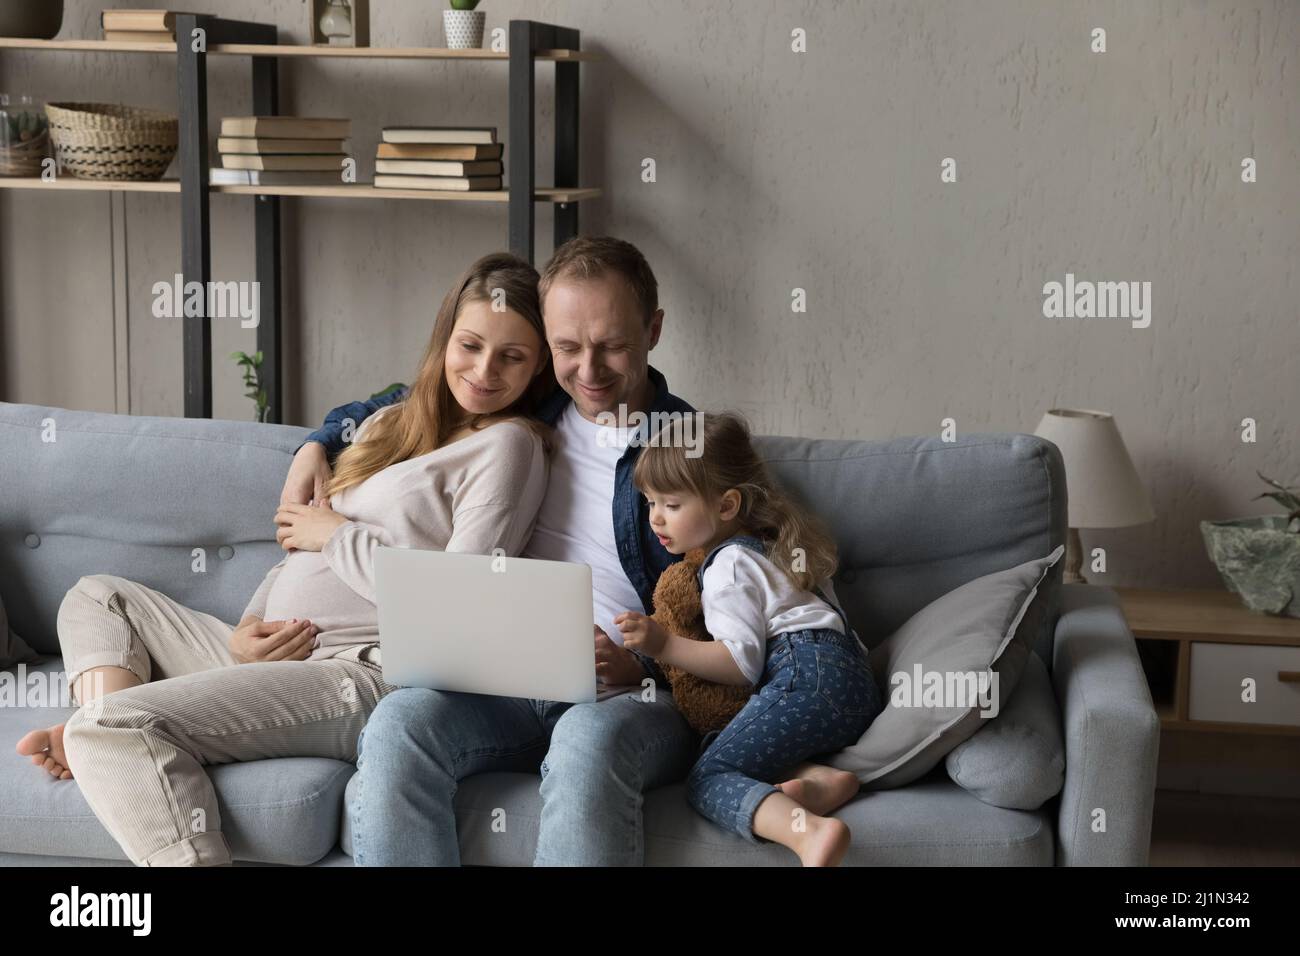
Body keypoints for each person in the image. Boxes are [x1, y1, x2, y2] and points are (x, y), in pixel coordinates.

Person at [16, 252, 553, 866]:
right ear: (444, 339)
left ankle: (106, 741)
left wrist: (335, 535)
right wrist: (247, 630)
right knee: (97, 597)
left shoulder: (509, 446)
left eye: (512, 356)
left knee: (110, 726)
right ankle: (107, 748)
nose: (485, 370)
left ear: (537, 367)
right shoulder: (392, 423)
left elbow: (460, 600)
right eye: (471, 344)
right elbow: (294, 553)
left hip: (363, 670)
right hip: (277, 649)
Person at [287, 236, 701, 865]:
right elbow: (404, 398)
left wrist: (642, 664)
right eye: (566, 348)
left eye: (613, 345)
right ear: (544, 353)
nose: (588, 371)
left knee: (587, 744)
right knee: (400, 725)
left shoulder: (692, 448)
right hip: (504, 681)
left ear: (654, 329)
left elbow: (734, 605)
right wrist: (315, 443)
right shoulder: (532, 401)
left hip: (626, 693)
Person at [616, 411, 884, 866]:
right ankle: (817, 781)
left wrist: (663, 645)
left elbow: (740, 664)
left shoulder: (728, 567)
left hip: (806, 677)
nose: (656, 519)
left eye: (672, 505)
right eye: (650, 504)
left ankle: (810, 833)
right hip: (855, 688)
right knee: (726, 741)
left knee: (709, 777)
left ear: (726, 506)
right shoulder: (779, 546)